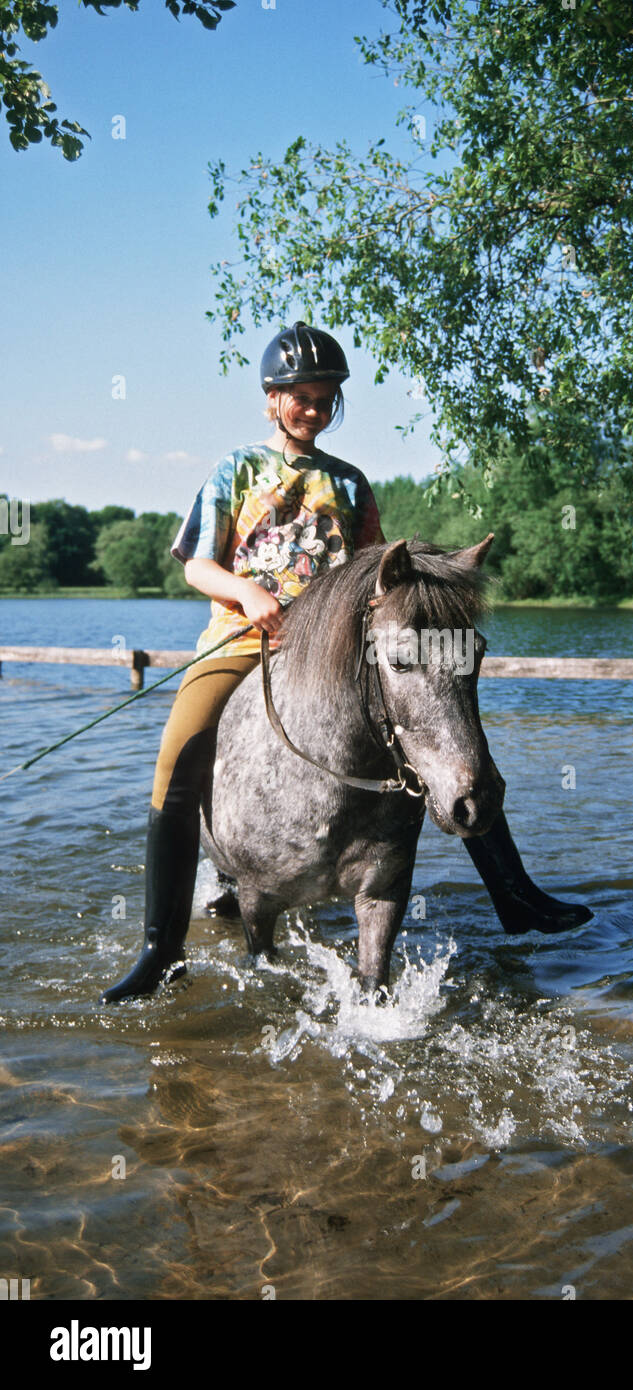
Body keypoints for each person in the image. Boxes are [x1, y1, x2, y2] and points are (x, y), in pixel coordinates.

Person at [101, 322, 591, 1003]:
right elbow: (197, 566)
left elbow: (380, 575)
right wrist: (247, 592)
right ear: (272, 399)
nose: (313, 408)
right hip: (242, 637)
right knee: (176, 758)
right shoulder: (235, 469)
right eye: (300, 396)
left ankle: (515, 894)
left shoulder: (350, 483)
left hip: (334, 650)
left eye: (325, 397)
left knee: (441, 729)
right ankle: (161, 949)